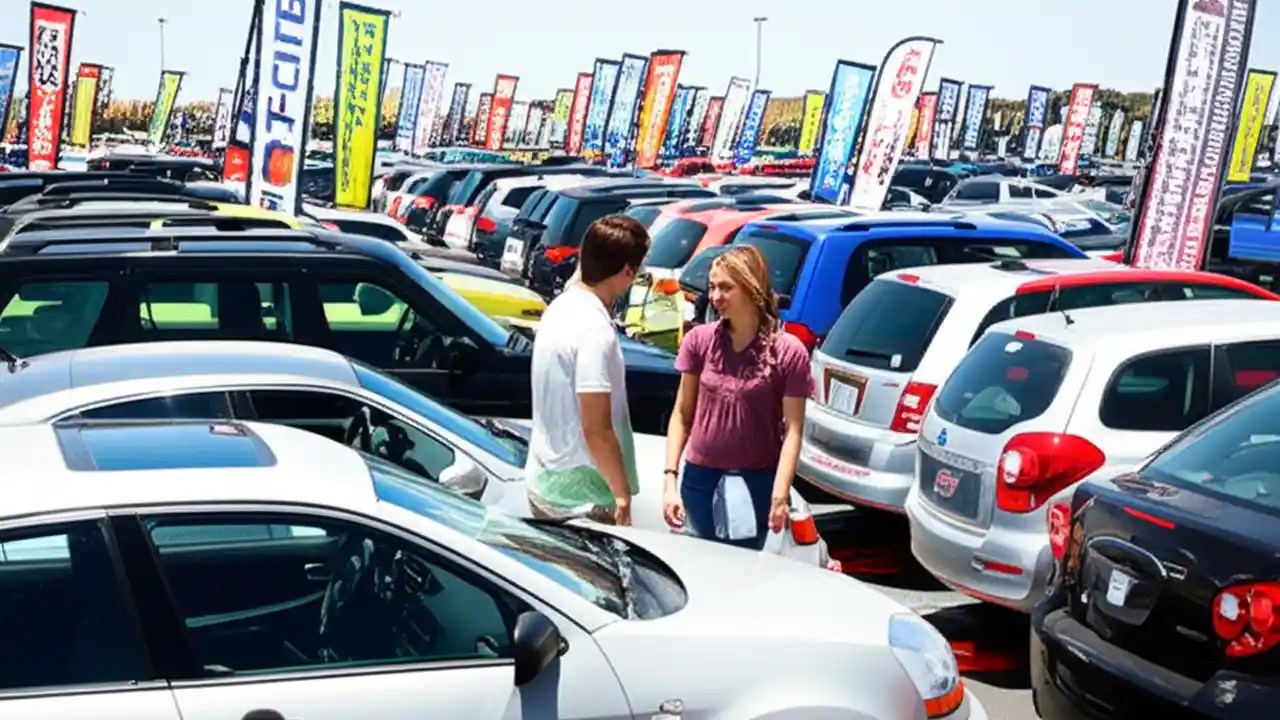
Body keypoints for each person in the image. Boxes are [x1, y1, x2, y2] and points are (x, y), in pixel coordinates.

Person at [662, 245, 809, 549]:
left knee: (743, 575)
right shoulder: (698, 341)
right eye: (712, 287)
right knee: (699, 570)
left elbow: (793, 428)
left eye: (726, 288)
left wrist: (781, 493)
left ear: (752, 289)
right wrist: (669, 480)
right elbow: (682, 413)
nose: (715, 297)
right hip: (700, 479)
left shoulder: (788, 351)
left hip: (757, 482)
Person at [526, 215, 649, 525]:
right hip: (582, 498)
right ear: (627, 271)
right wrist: (621, 494)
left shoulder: (560, 308)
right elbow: (596, 427)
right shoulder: (594, 331)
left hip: (546, 480)